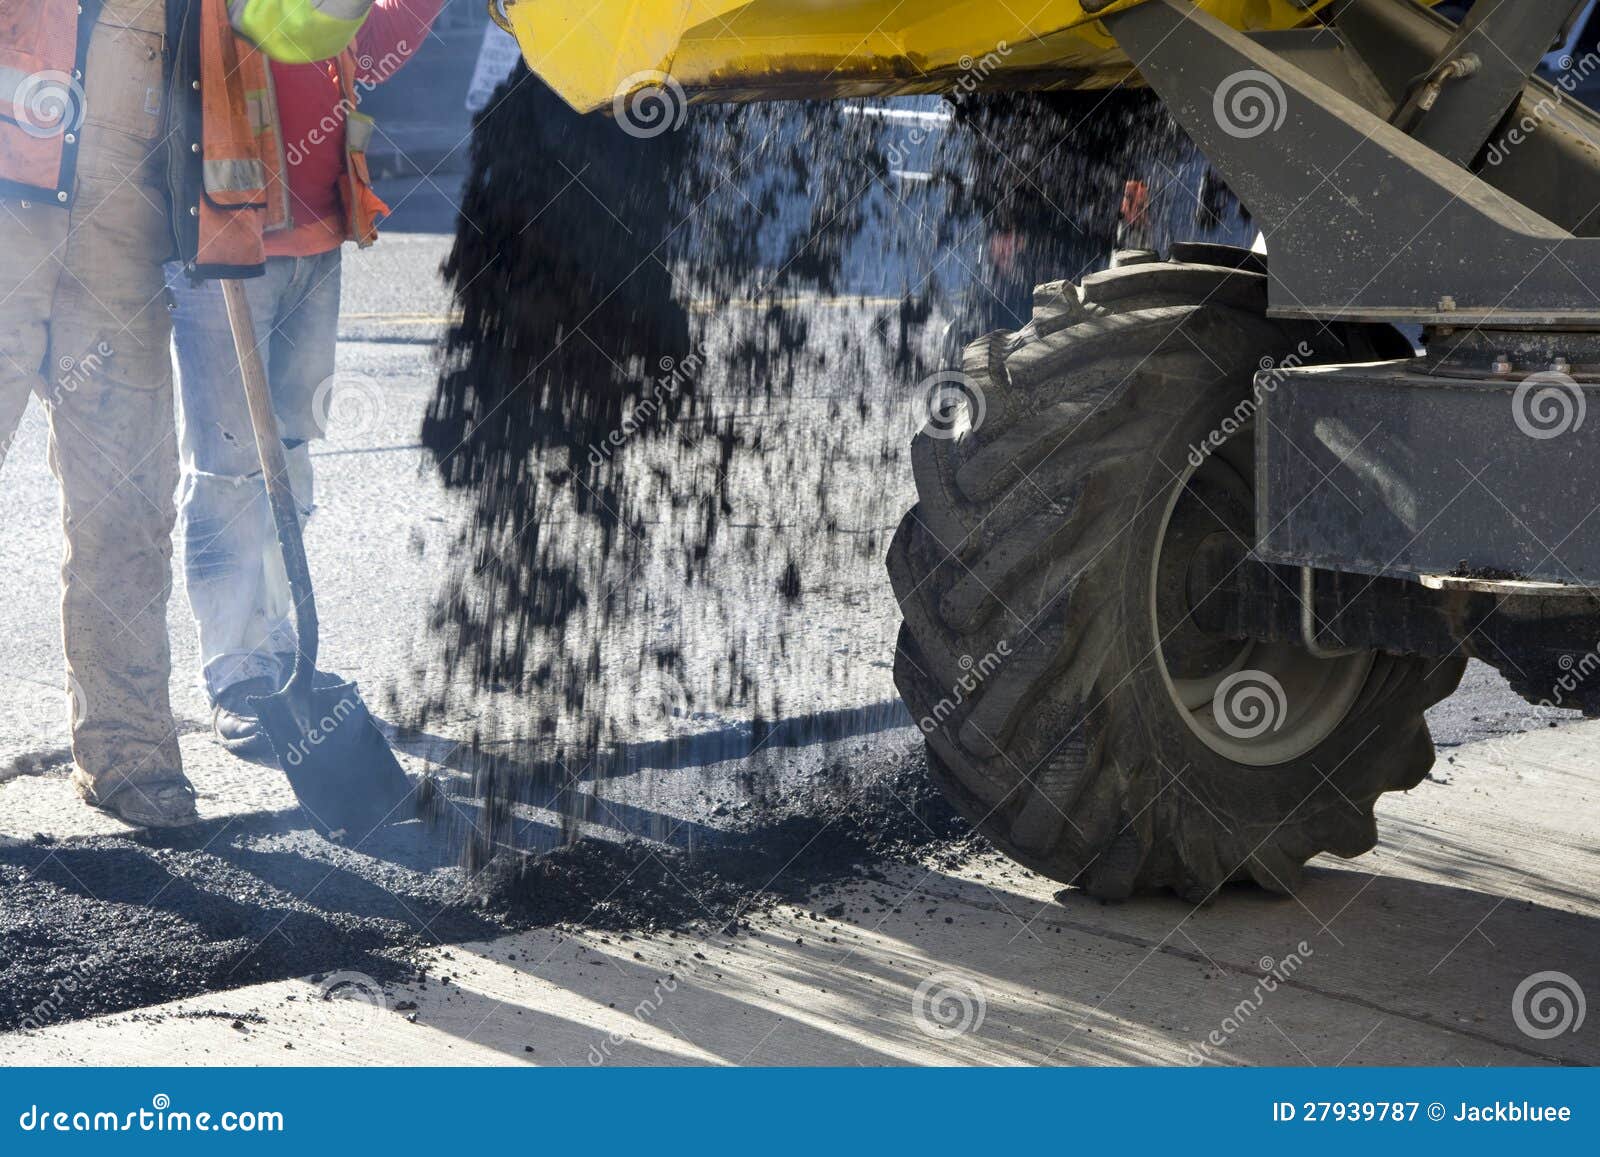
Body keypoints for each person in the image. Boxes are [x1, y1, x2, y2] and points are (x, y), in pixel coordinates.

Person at [0, 0, 378, 826]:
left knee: (129, 504)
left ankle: (128, 752)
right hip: (7, 202)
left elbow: (285, 25)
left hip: (124, 228)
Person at [166, 0, 443, 757]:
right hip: (227, 241)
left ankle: (279, 646)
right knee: (228, 467)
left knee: (288, 457)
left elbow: (371, 48)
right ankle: (235, 669)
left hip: (317, 237)